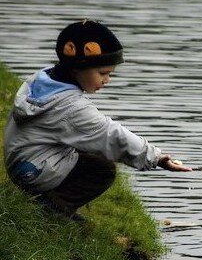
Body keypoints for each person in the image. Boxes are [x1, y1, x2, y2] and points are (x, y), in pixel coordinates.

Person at [3, 19, 192, 221]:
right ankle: (53, 211)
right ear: (77, 68)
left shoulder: (43, 78)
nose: (107, 80)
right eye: (103, 73)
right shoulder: (72, 108)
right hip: (34, 171)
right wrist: (157, 158)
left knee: (91, 148)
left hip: (22, 161)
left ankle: (48, 201)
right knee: (102, 169)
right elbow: (111, 134)